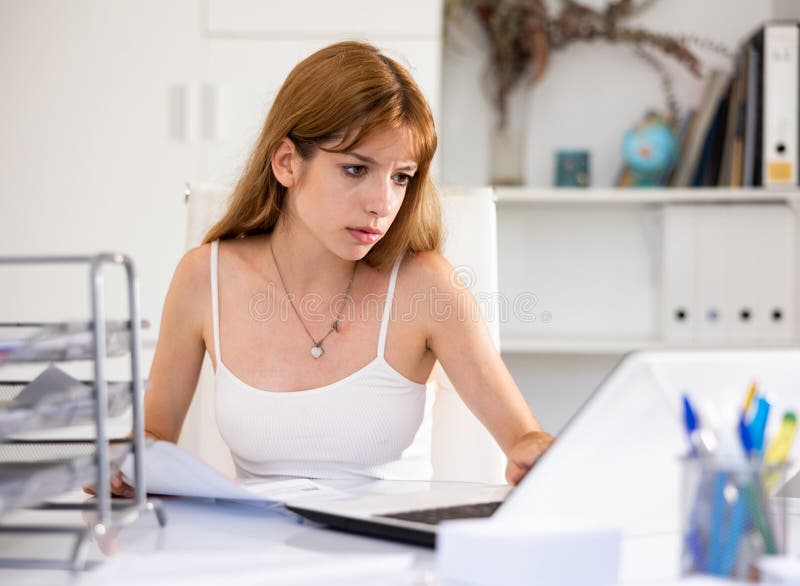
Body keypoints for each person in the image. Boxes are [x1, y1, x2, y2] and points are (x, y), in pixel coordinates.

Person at [99, 40, 553, 498]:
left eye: (401, 177)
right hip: (256, 556)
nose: (383, 203)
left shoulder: (425, 285)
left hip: (389, 557)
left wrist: (536, 452)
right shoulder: (204, 277)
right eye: (356, 170)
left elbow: (524, 439)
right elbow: (153, 437)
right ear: (287, 163)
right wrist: (121, 465)